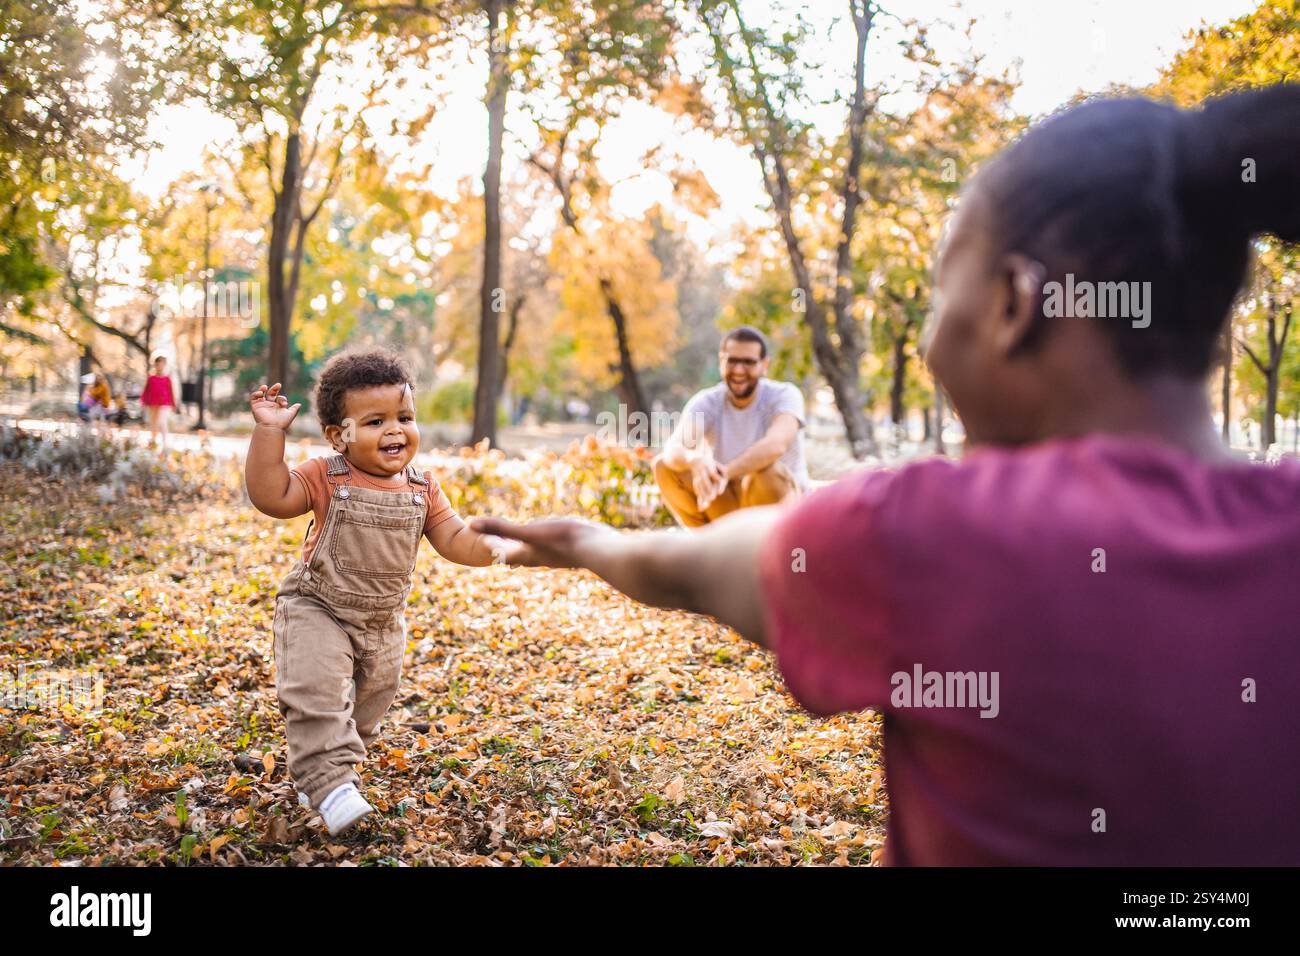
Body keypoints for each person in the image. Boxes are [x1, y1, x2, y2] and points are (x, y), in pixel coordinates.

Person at [474, 86, 1300, 865]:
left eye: (943, 294)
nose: (930, 346)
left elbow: (682, 569)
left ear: (1014, 305)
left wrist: (585, 542)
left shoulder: (936, 537)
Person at [244, 350, 506, 836]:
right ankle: (329, 783)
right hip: (317, 608)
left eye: (404, 417)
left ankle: (322, 771)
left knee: (364, 712)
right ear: (337, 435)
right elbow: (271, 496)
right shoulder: (326, 475)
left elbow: (455, 540)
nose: (394, 431)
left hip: (383, 623)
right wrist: (269, 433)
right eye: (375, 421)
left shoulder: (423, 488)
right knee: (317, 694)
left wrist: (500, 547)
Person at [654, 326, 809, 528]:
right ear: (721, 362)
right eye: (732, 360)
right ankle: (707, 546)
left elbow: (776, 445)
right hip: (727, 499)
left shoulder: (785, 395)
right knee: (664, 466)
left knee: (764, 473)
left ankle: (772, 549)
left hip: (779, 506)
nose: (738, 370)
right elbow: (674, 448)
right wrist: (695, 460)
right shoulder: (706, 402)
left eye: (748, 362)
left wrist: (724, 473)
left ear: (765, 365)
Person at [140, 354, 177, 451]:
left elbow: (171, 392)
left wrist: (173, 404)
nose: (159, 366)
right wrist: (143, 402)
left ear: (164, 365)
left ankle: (165, 444)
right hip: (153, 403)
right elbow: (146, 391)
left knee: (162, 422)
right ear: (155, 365)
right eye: (158, 364)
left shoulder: (167, 379)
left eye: (161, 364)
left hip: (164, 404)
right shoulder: (151, 378)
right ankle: (153, 442)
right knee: (153, 423)